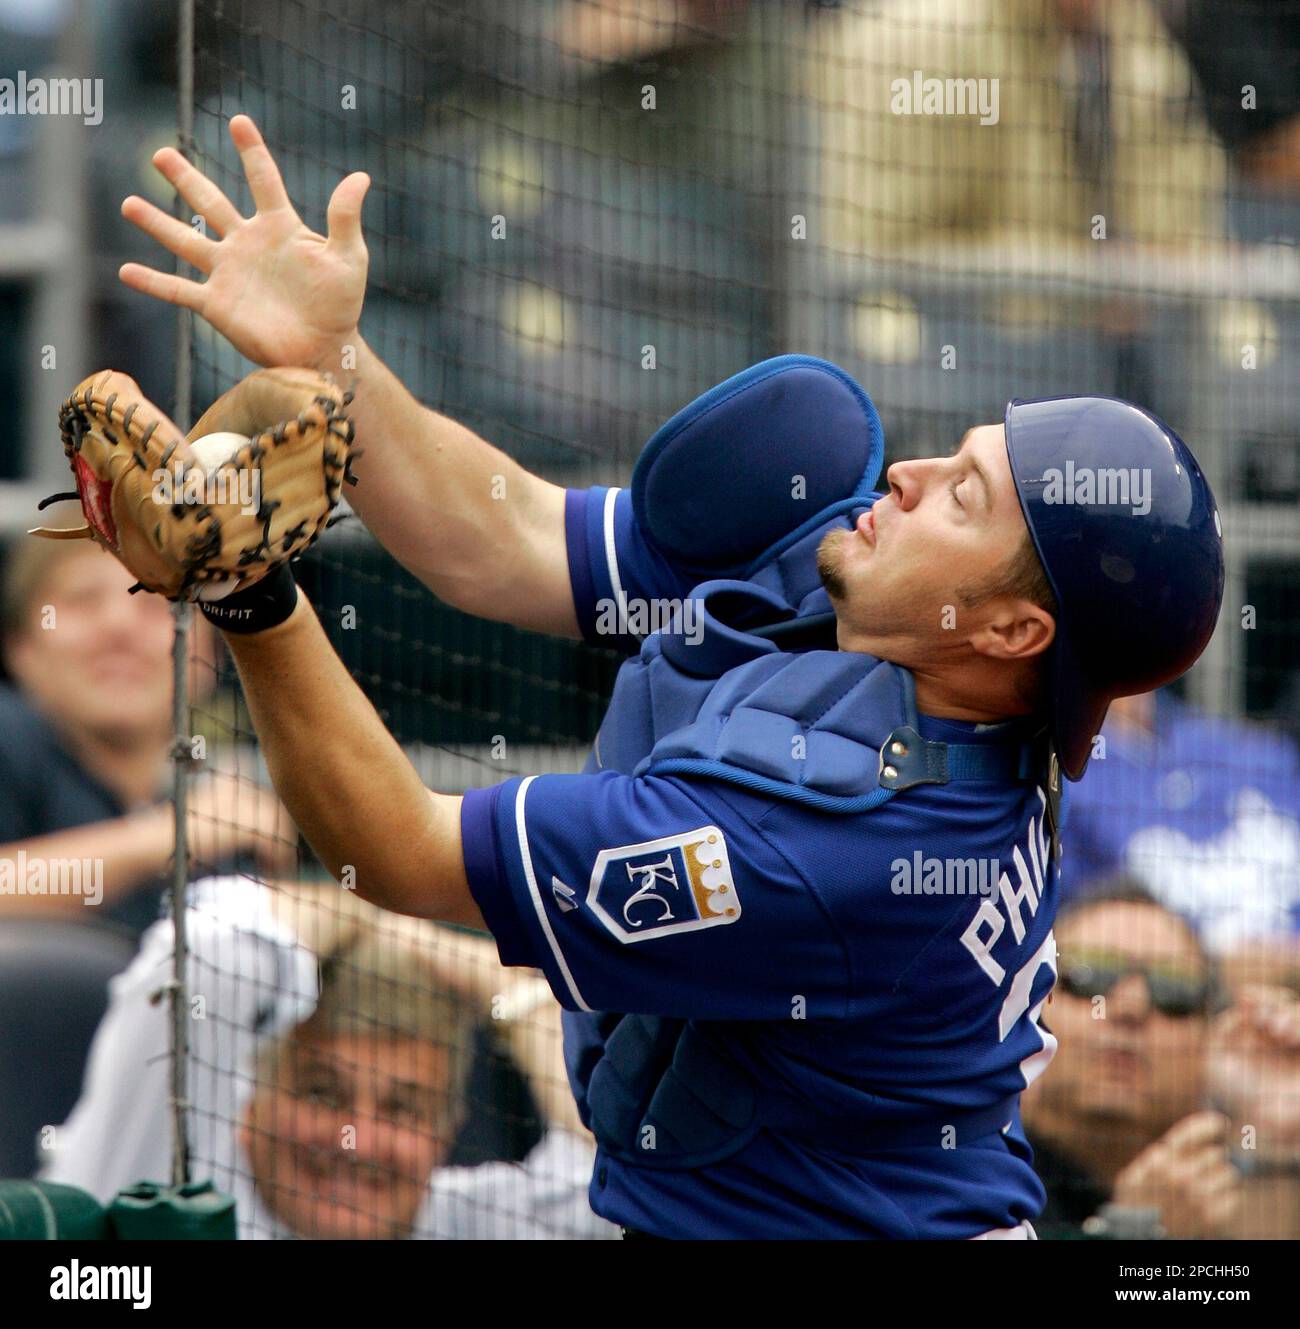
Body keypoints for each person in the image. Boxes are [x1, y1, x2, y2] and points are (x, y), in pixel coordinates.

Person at [109, 115, 1225, 1238]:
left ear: (1012, 634)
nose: (912, 473)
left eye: (964, 496)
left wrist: (247, 593)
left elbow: (397, 851)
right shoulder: (874, 588)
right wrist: (332, 356)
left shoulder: (843, 851)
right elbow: (508, 542)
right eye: (958, 452)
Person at [41, 875, 617, 1240]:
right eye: (321, 1094)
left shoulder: (471, 1222)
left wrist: (507, 991)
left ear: (448, 1130)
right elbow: (209, 957)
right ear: (250, 1102)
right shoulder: (161, 1195)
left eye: (403, 1108)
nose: (356, 1140)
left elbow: (627, 1185)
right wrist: (377, 914)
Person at [0, 531, 296, 937]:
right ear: (20, 648)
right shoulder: (10, 736)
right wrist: (170, 837)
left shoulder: (222, 815)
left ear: (208, 657)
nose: (119, 626)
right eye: (84, 600)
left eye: (157, 605)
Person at [1022, 875, 1300, 1239]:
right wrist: (1133, 1232)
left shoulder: (1228, 1188)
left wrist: (1274, 1135)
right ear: (1029, 1004)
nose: (1131, 1006)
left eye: (1173, 989)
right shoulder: (962, 1163)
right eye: (1092, 974)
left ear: (1210, 1036)